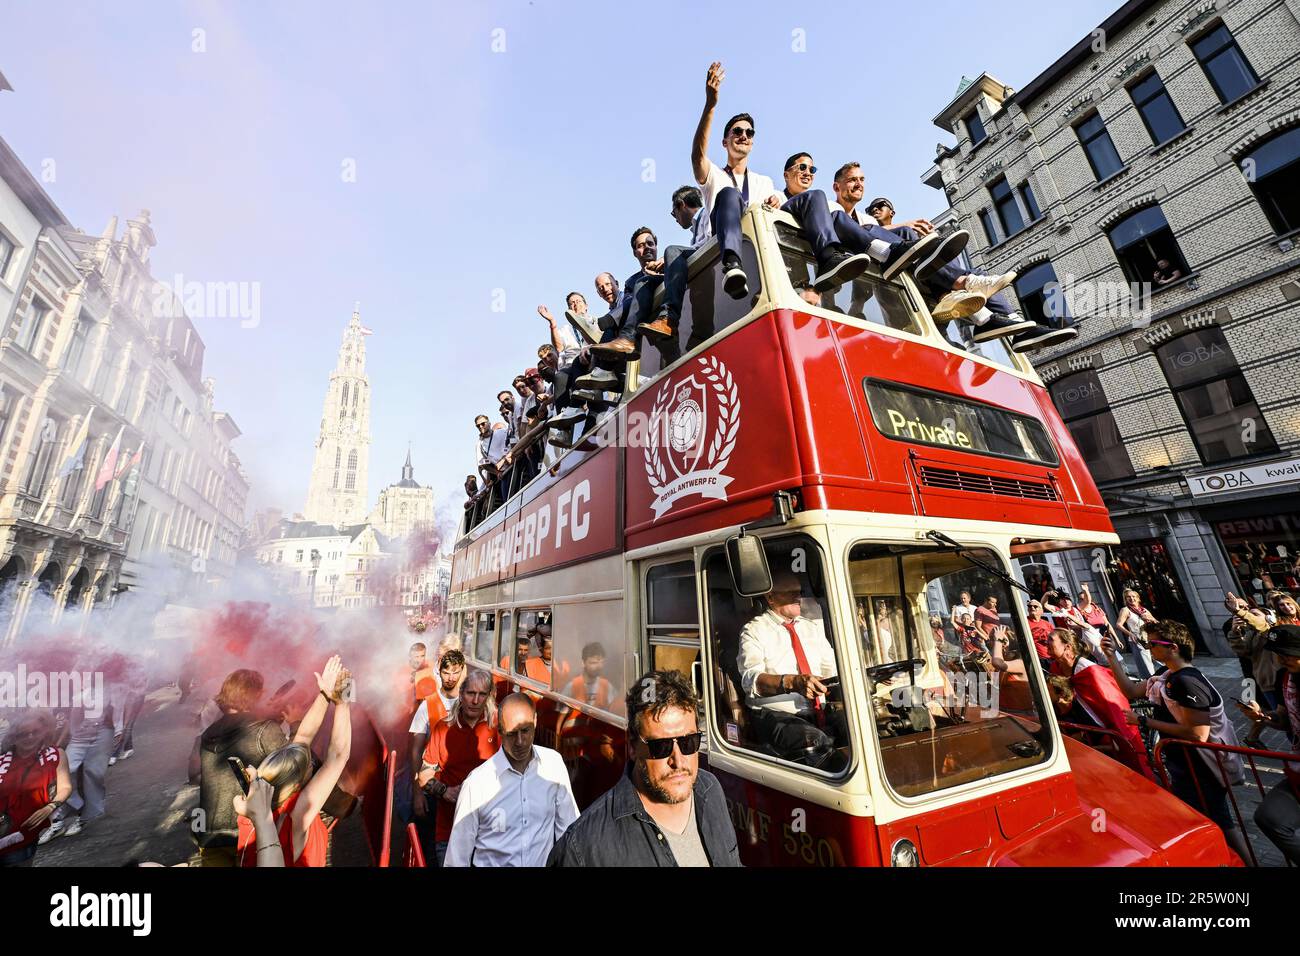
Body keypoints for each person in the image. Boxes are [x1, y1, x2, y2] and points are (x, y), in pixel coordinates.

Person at [548, 669, 740, 866]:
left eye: (689, 742)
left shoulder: (709, 789)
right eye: (660, 747)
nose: (678, 761)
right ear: (632, 747)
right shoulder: (582, 848)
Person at [1100, 621, 1250, 864]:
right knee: (1200, 819)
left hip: (1202, 766)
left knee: (1220, 822)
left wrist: (1143, 722)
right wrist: (1111, 657)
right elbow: (1130, 690)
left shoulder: (1187, 681)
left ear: (1173, 647)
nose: (1148, 648)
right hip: (1182, 764)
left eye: (1153, 644)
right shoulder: (1165, 674)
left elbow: (1197, 733)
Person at [780, 156, 988, 318]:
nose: (808, 172)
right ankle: (948, 284)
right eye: (802, 167)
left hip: (851, 256)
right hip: (813, 274)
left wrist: (906, 225)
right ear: (786, 174)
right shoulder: (794, 199)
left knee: (906, 235)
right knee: (830, 209)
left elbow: (867, 226)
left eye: (812, 169)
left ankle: (973, 299)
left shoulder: (847, 215)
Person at [234, 655, 353, 867]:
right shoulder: (294, 819)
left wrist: (325, 695)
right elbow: (337, 756)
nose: (311, 764)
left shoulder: (256, 807)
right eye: (309, 766)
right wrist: (343, 702)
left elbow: (302, 739)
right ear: (298, 783)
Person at [444, 694, 578, 866]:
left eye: (525, 731)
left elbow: (569, 832)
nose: (520, 742)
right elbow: (457, 858)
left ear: (535, 721)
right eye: (512, 734)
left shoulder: (554, 764)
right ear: (499, 730)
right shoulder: (476, 784)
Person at [188, 667, 305, 865]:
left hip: (209, 835)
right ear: (256, 696)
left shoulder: (206, 734)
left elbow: (194, 777)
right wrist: (295, 725)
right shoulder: (265, 730)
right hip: (247, 833)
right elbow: (295, 768)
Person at [737, 570, 846, 764]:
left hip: (818, 710)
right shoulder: (754, 630)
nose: (798, 597)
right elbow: (751, 680)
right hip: (773, 715)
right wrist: (792, 682)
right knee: (812, 743)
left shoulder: (810, 628)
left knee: (863, 726)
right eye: (790, 592)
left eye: (799, 591)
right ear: (770, 597)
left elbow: (832, 671)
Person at [413, 667, 500, 867]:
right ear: (461, 694)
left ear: (488, 697)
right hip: (450, 832)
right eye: (471, 693)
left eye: (481, 695)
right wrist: (444, 791)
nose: (475, 701)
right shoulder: (443, 728)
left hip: (489, 834)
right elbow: (424, 775)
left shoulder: (497, 728)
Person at [1046, 628, 1155, 781]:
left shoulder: (1090, 671)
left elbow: (1113, 709)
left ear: (1067, 646)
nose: (1046, 642)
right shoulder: (1055, 669)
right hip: (1083, 737)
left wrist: (1118, 740)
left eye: (1051, 639)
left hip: (1109, 737)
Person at [1238, 624, 1300, 865]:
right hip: (1297, 770)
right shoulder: (1283, 677)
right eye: (1277, 652)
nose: (1281, 657)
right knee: (1269, 817)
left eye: (1288, 652)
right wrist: (1263, 717)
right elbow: (1285, 719)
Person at [40, 666, 122, 843]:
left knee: (92, 775)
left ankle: (82, 818)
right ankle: (62, 818)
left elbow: (117, 709)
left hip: (102, 734)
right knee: (62, 774)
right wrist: (57, 744)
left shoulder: (107, 688)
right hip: (78, 737)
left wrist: (119, 730)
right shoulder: (68, 688)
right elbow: (69, 721)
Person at [0, 710, 72, 867]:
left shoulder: (55, 755)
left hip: (21, 834)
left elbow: (65, 786)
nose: (30, 737)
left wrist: (50, 807)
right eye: (23, 734)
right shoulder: (2, 759)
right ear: (14, 737)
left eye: (35, 732)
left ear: (44, 732)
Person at [408, 649, 466, 784]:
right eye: (446, 673)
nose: (451, 678)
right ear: (439, 672)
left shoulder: (469, 702)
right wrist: (417, 790)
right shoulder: (427, 705)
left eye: (455, 673)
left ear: (462, 671)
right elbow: (416, 750)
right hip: (433, 778)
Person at [1115, 588, 1157, 679]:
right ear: (1125, 599)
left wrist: (1150, 618)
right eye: (1128, 597)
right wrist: (1130, 634)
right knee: (1146, 666)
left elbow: (1157, 622)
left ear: (1138, 598)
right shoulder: (1125, 610)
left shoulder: (1144, 610)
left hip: (1150, 638)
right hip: (1137, 640)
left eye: (1133, 596)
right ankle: (1149, 683)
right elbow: (1118, 624)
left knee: (1155, 662)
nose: (1131, 598)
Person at [1025, 598, 1055, 665]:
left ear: (1041, 611)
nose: (1032, 607)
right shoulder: (1024, 622)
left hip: (1051, 657)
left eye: (1035, 606)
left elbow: (1055, 638)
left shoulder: (1047, 624)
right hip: (1036, 659)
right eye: (1030, 606)